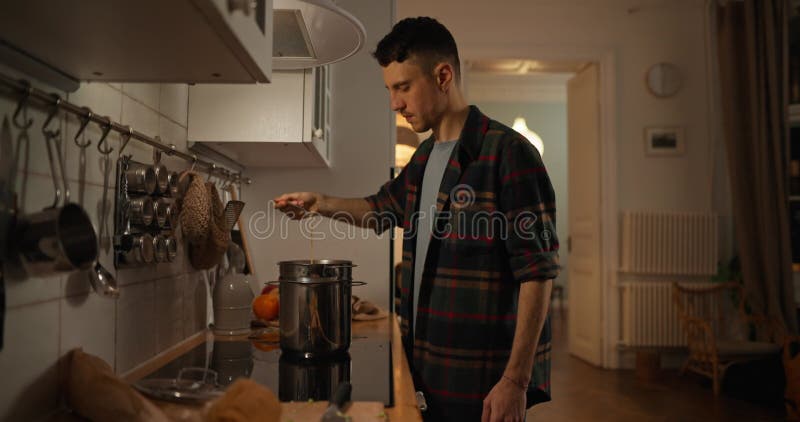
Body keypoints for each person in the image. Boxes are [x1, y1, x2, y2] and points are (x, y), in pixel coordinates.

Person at [274, 16, 559, 422]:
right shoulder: (423, 159)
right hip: (425, 365)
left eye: (403, 87)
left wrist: (515, 381)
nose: (395, 103)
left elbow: (538, 272)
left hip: (481, 377)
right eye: (390, 90)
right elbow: (380, 210)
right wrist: (319, 202)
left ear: (443, 75)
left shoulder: (507, 154)